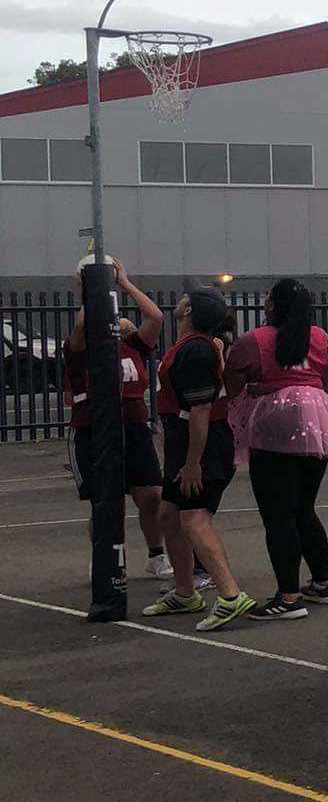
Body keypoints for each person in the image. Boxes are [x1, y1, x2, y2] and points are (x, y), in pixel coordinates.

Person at [223, 278, 328, 620]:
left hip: (273, 425)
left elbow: (232, 383)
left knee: (278, 514)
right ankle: (323, 584)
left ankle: (288, 597)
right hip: (315, 422)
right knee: (304, 509)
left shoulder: (253, 341)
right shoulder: (319, 337)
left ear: (271, 305)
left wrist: (266, 384)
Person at [140, 288, 256, 631]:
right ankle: (186, 591)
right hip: (185, 443)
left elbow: (202, 410)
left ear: (188, 309)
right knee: (169, 515)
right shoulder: (196, 346)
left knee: (194, 519)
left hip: (202, 446)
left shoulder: (196, 351)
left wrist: (193, 464)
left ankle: (231, 596)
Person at [62, 260, 167, 584]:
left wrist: (123, 282)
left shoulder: (133, 346)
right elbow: (81, 325)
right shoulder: (80, 350)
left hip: (134, 428)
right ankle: (104, 558)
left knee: (150, 496)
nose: (120, 322)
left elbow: (156, 316)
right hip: (93, 430)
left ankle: (156, 556)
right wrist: (90, 288)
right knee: (104, 501)